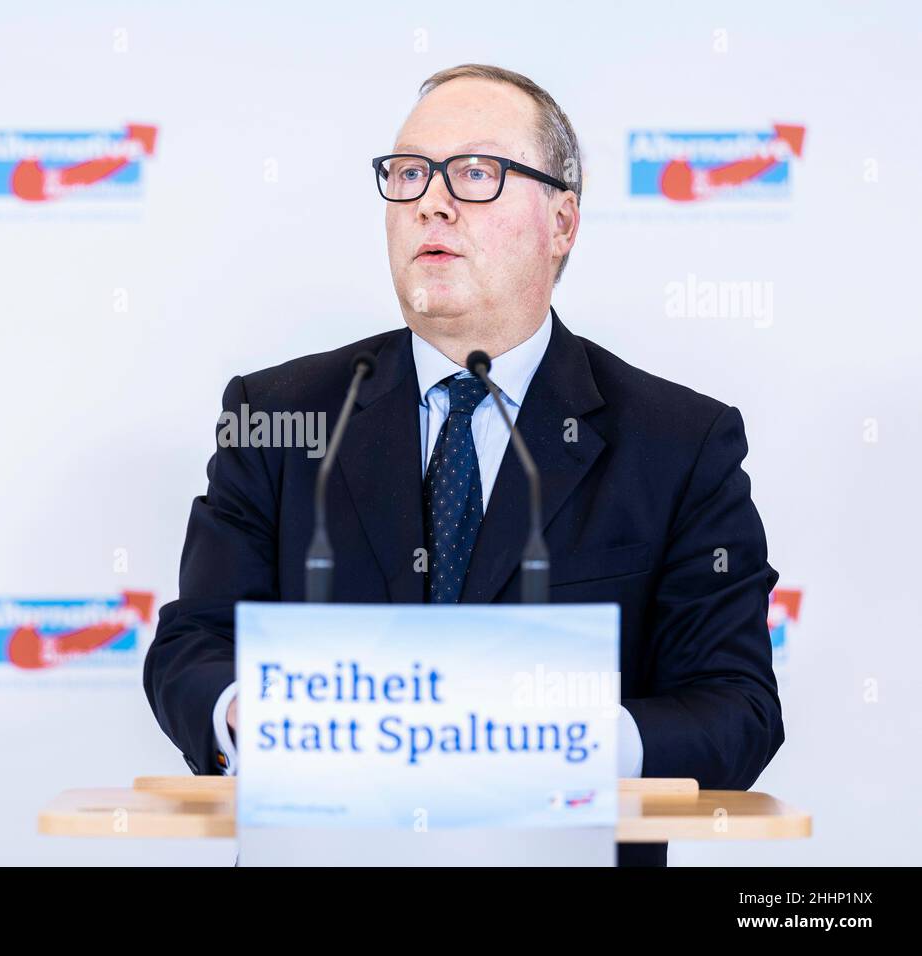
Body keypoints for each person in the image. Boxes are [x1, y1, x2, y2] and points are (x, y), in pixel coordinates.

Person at [143, 63, 783, 866]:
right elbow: (194, 646)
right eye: (409, 173)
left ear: (563, 221)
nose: (430, 201)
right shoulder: (275, 414)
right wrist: (256, 717)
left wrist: (567, 743)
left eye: (476, 173)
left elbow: (737, 708)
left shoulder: (680, 441)